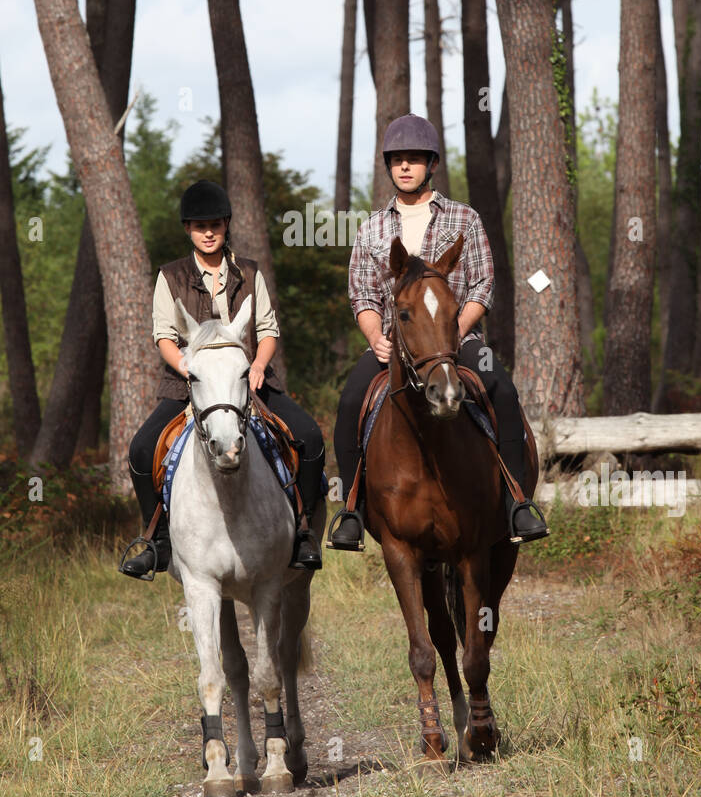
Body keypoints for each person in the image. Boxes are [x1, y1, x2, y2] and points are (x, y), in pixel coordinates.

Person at [329, 113, 549, 550]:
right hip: (396, 344)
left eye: (414, 159)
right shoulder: (371, 229)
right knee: (352, 400)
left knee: (502, 391)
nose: (405, 167)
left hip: (457, 342)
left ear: (431, 164)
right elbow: (362, 294)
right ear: (389, 166)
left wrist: (450, 334)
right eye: (397, 160)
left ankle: (517, 501)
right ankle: (352, 507)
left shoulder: (464, 219)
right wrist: (375, 336)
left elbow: (483, 284)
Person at [121, 179, 324, 577]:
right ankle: (157, 539)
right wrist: (191, 370)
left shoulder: (250, 272)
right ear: (187, 230)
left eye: (215, 223)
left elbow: (266, 330)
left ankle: (303, 533)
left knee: (311, 437)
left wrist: (260, 366)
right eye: (199, 225)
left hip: (247, 382)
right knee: (141, 451)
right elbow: (164, 335)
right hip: (188, 383)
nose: (208, 231)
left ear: (226, 224)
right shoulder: (170, 276)